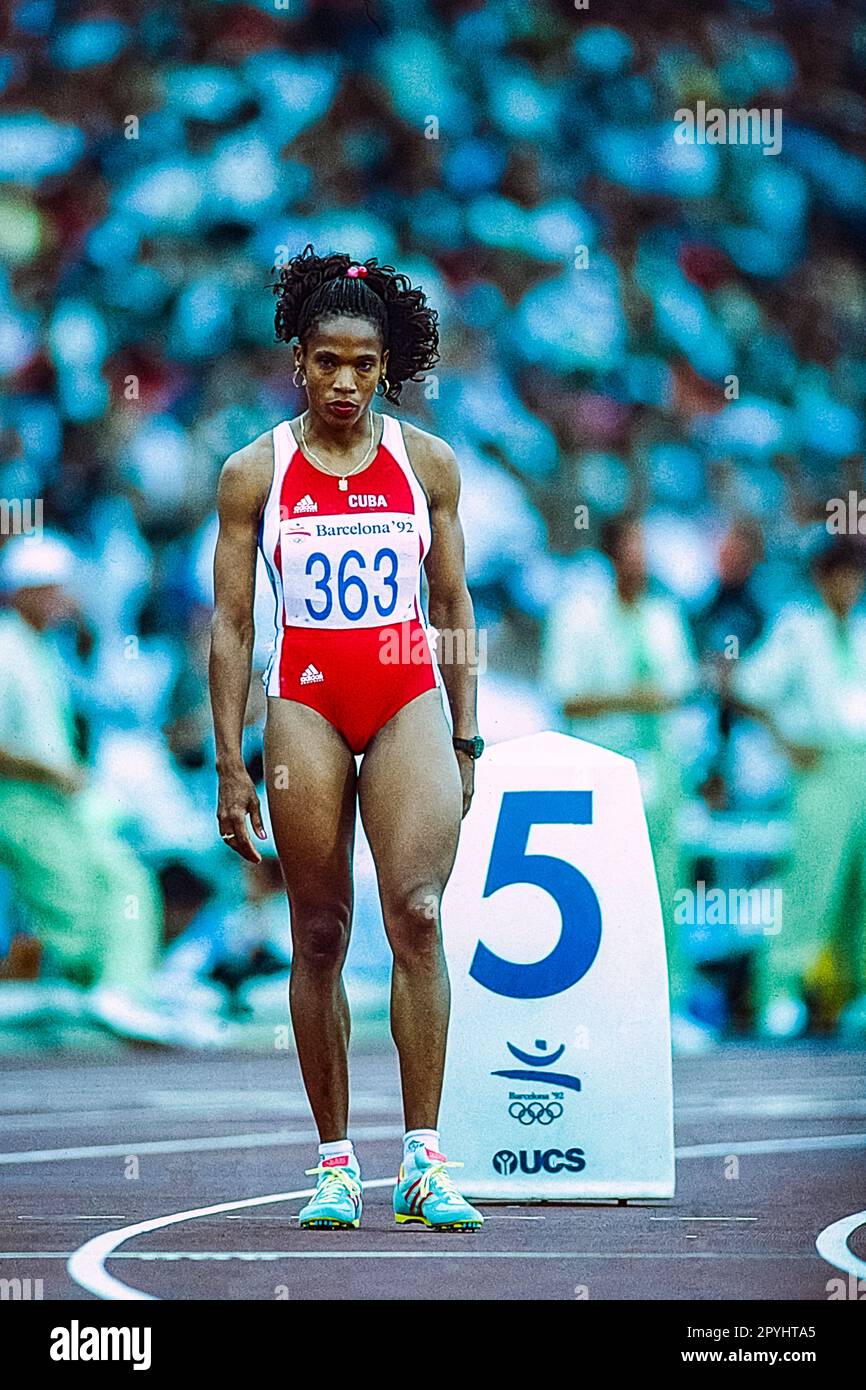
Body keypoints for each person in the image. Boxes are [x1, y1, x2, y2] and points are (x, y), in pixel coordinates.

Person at [209, 246, 485, 1230]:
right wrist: (230, 759)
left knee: (415, 912)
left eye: (360, 365)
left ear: (385, 367)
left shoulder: (426, 463)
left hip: (405, 690)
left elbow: (450, 600)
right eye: (324, 360)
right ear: (298, 359)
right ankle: (334, 1162)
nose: (341, 380)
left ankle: (421, 1158)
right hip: (308, 706)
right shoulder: (255, 471)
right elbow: (234, 623)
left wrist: (467, 733)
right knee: (319, 930)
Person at [540, 514, 704, 1047]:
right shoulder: (579, 614)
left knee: (664, 887)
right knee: (601, 887)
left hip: (659, 767)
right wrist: (635, 697)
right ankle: (600, 1008)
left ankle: (666, 1004)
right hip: (599, 771)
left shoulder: (663, 615)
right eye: (634, 546)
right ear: (612, 552)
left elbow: (681, 688)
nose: (643, 558)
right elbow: (564, 696)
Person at [0, 533, 162, 1001]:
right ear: (22, 591)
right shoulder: (8, 647)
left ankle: (121, 990)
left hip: (54, 799)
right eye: (51, 589)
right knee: (77, 906)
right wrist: (52, 773)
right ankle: (98, 991)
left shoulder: (43, 647)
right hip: (20, 802)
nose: (62, 600)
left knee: (123, 878)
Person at [730, 535, 866, 1037]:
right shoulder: (797, 630)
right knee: (811, 882)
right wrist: (785, 740)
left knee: (863, 889)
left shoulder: (862, 630)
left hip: (863, 761)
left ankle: (856, 994)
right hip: (824, 764)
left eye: (856, 577)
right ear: (822, 578)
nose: (849, 587)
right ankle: (780, 989)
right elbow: (745, 687)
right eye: (842, 576)